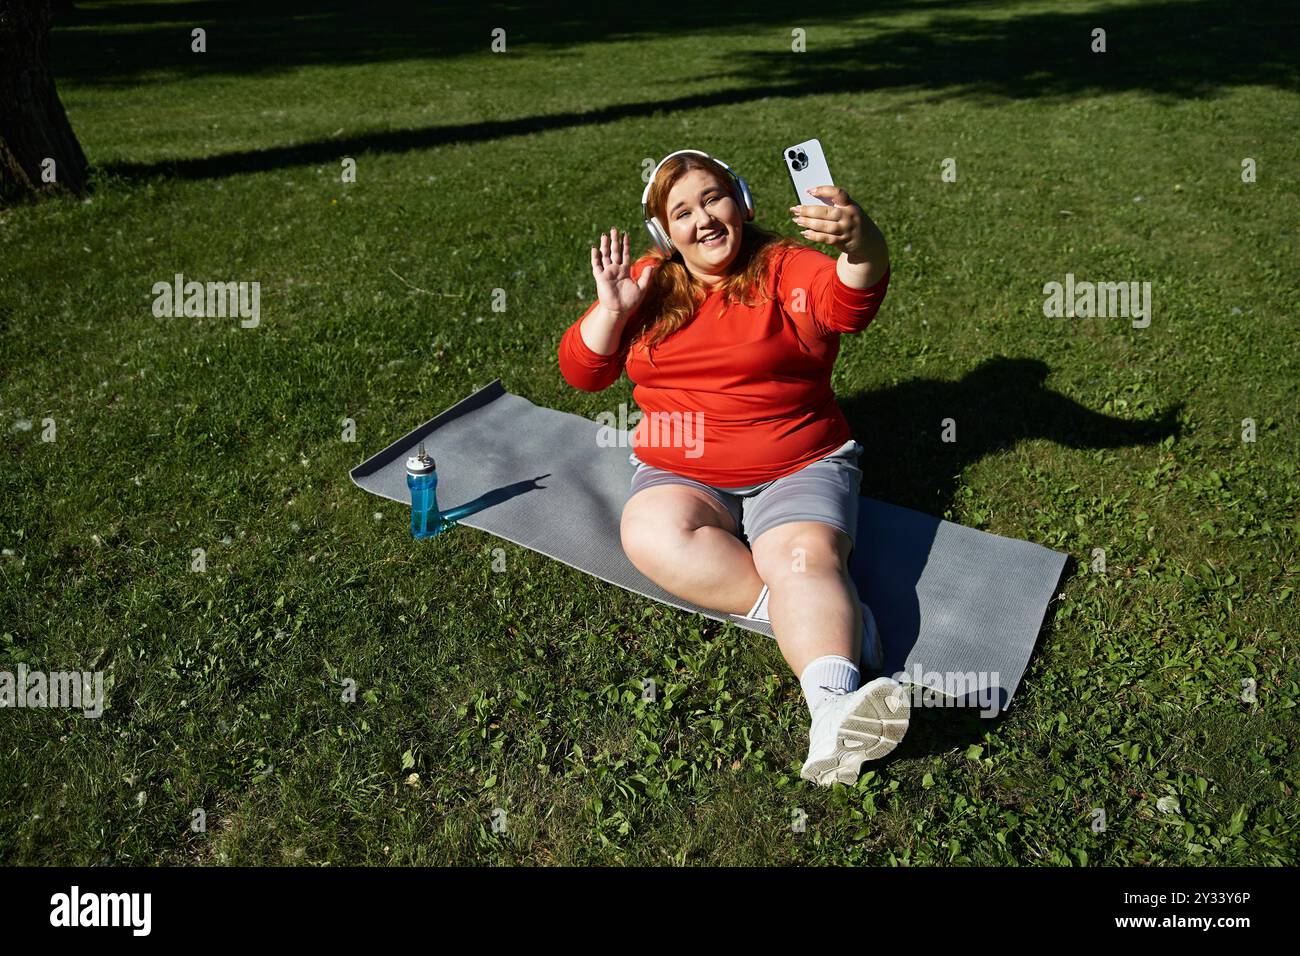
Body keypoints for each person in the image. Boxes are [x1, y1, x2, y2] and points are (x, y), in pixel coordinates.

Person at [557, 149, 908, 786]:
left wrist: (862, 240)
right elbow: (582, 373)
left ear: (742, 202)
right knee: (650, 534)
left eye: (713, 199)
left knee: (798, 559)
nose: (704, 220)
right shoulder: (647, 283)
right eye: (682, 212)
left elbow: (849, 301)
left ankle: (830, 708)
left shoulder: (784, 267)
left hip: (797, 459)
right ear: (667, 233)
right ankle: (838, 624)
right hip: (682, 467)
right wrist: (612, 308)